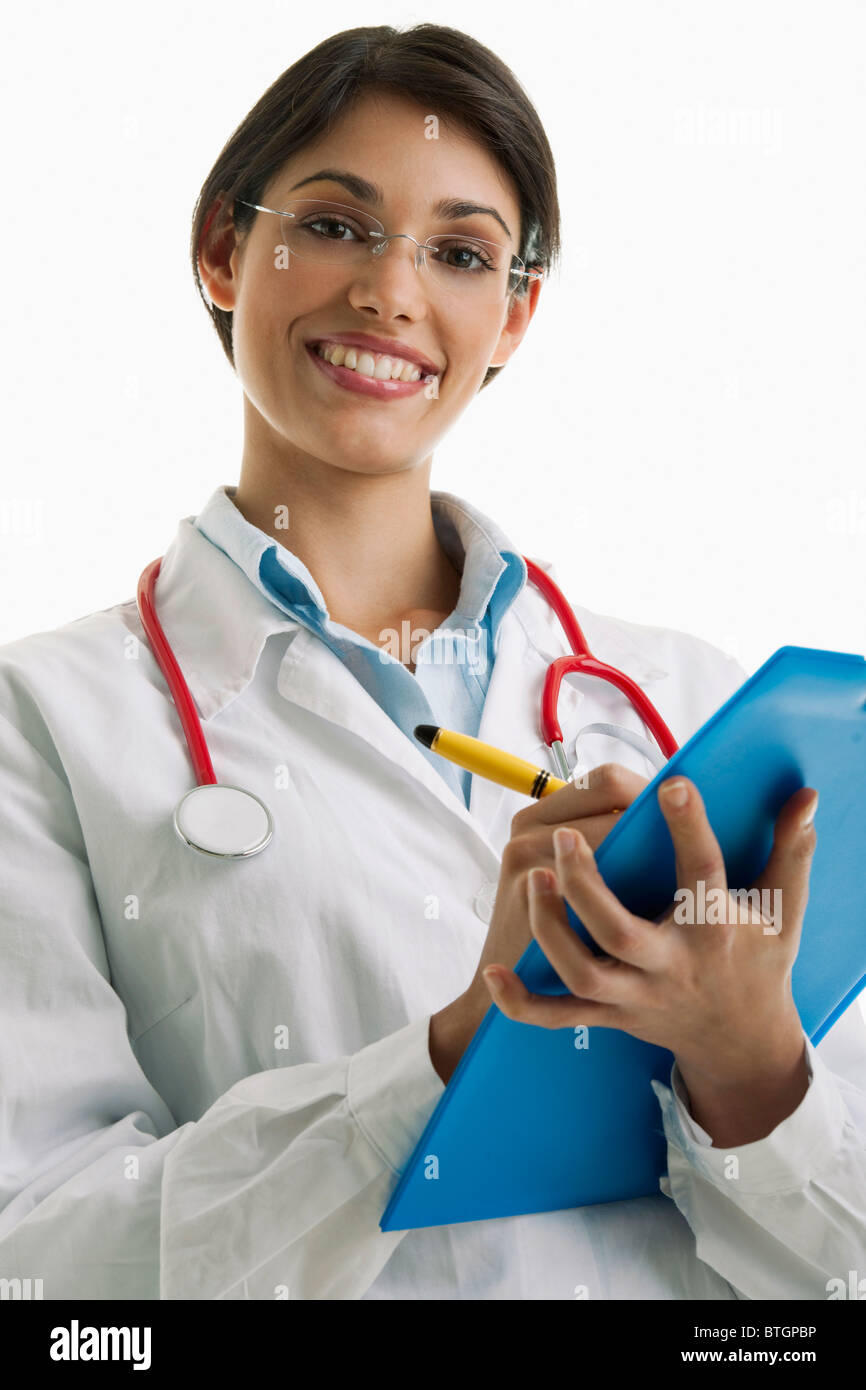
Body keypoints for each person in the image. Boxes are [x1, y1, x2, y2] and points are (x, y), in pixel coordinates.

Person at [1, 23, 864, 1302]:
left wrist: (747, 1072)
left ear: (512, 315)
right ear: (224, 250)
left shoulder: (692, 704)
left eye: (458, 254)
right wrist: (452, 1052)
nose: (389, 294)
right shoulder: (45, 725)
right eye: (339, 225)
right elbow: (44, 1261)